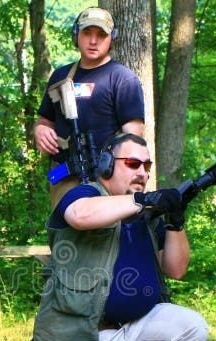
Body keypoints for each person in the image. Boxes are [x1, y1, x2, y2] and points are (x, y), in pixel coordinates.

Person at [9, 133, 208, 341]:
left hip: (136, 327)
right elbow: (80, 215)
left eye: (147, 165)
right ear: (106, 165)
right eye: (132, 163)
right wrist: (142, 200)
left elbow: (176, 269)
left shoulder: (147, 213)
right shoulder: (84, 194)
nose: (142, 172)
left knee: (192, 326)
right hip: (85, 334)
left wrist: (175, 220)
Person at [34, 7, 145, 208]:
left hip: (105, 181)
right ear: (76, 35)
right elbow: (44, 119)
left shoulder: (123, 79)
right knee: (64, 236)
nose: (93, 41)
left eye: (101, 35)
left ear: (112, 38)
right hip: (64, 178)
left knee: (105, 237)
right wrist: (41, 130)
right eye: (87, 33)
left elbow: (133, 141)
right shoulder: (61, 76)